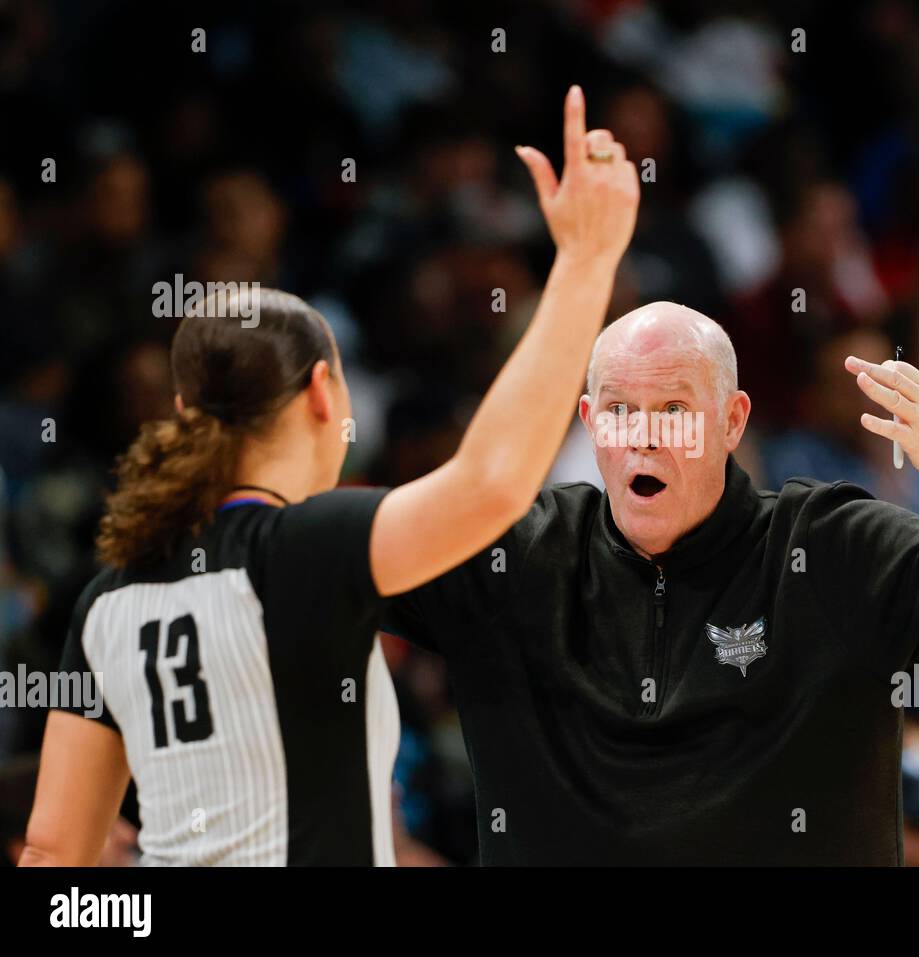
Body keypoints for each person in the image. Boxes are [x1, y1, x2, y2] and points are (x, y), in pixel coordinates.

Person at [19, 86, 640, 866]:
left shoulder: (108, 598)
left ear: (185, 410)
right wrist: (586, 261)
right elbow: (492, 483)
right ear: (321, 392)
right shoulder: (309, 546)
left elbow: (51, 858)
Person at [382, 300, 919, 864]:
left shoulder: (828, 546)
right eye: (619, 410)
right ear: (590, 425)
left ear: (732, 421)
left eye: (674, 409)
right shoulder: (520, 554)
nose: (644, 436)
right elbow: (332, 560)